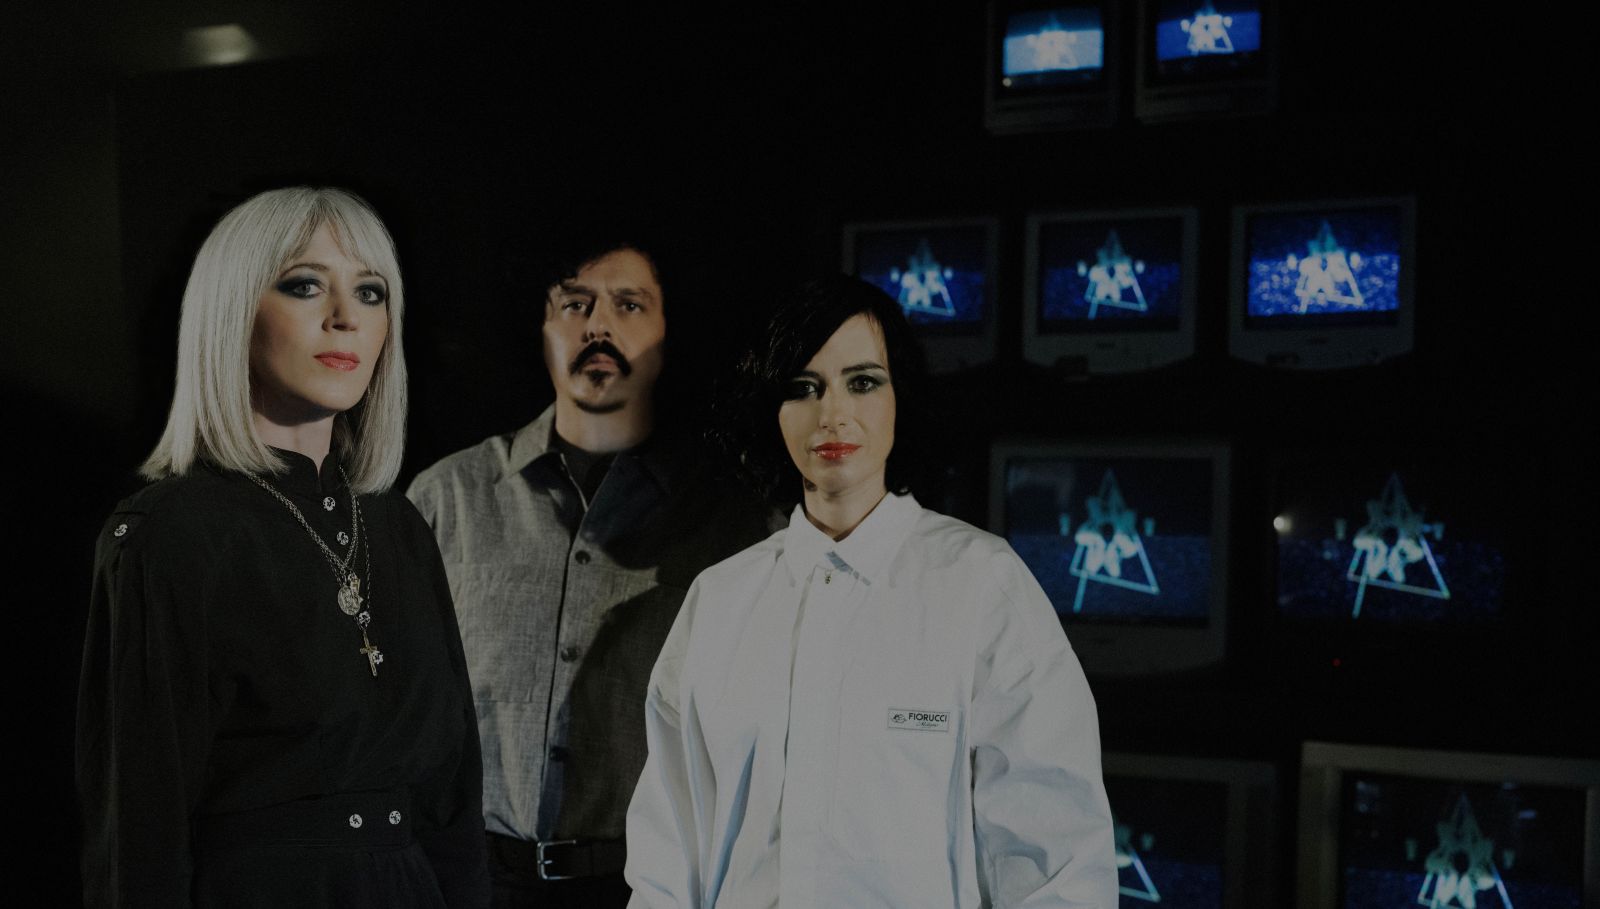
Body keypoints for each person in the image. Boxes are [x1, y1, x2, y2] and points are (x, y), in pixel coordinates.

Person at [625, 275, 1117, 907]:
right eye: (803, 387)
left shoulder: (982, 583)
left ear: (899, 399)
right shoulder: (719, 600)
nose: (832, 414)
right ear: (773, 411)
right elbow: (666, 857)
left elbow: (1057, 859)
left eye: (862, 382)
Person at [76, 187, 490, 908]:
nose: (345, 316)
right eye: (305, 285)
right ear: (232, 311)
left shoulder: (398, 526)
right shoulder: (169, 534)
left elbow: (453, 800)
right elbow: (138, 825)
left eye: (370, 292)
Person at [406, 235, 778, 907]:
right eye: (575, 303)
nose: (597, 326)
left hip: (646, 887)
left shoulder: (734, 522)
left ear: (668, 331)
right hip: (471, 882)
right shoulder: (446, 499)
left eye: (629, 304)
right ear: (543, 326)